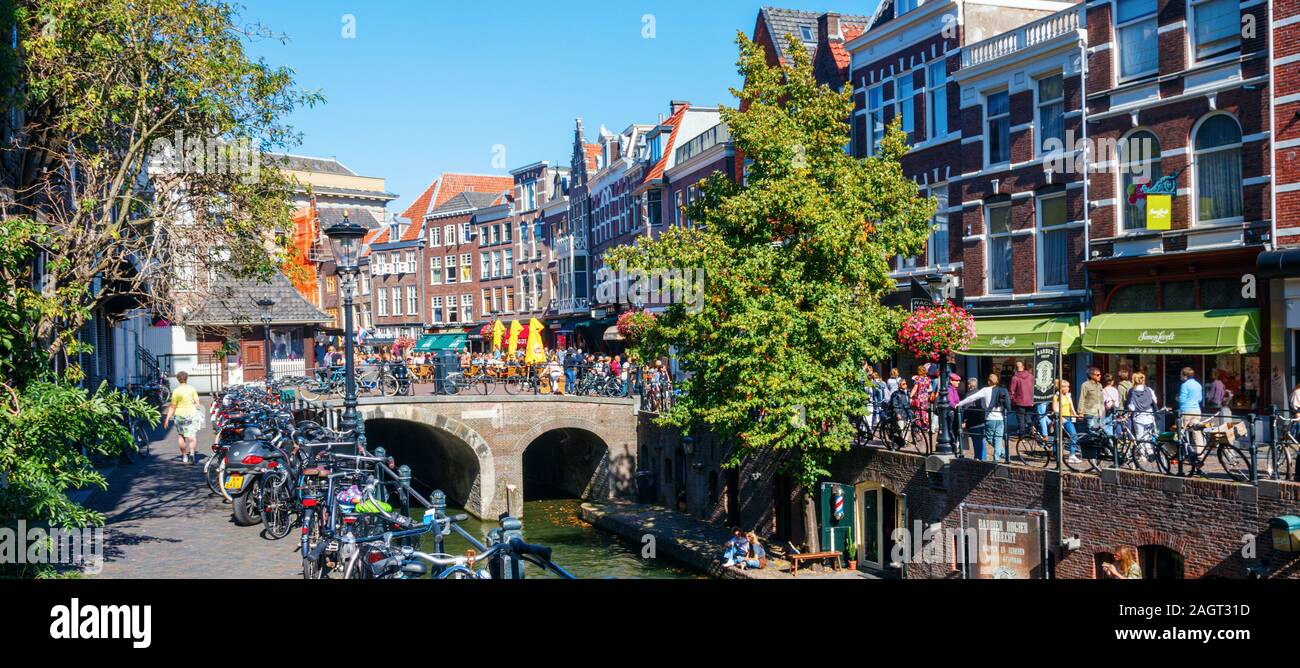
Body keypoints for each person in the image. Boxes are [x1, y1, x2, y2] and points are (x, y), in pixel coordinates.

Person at [957, 373, 1011, 462]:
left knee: (989, 438)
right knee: (998, 439)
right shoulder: (1002, 390)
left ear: (989, 381)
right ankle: (998, 458)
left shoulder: (985, 390)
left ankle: (1001, 455)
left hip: (990, 418)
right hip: (1001, 418)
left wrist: (959, 403)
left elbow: (971, 398)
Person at [162, 371, 202, 464]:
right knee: (192, 436)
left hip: (180, 415)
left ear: (178, 379)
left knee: (181, 436)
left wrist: (167, 419)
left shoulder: (176, 391)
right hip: (191, 414)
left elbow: (172, 406)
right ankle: (192, 454)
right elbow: (197, 403)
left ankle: (184, 456)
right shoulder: (192, 389)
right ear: (186, 378)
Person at [1177, 367, 1205, 458]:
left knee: (1179, 432)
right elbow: (1200, 399)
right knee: (1196, 432)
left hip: (1186, 410)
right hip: (1197, 410)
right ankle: (1200, 453)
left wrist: (1177, 398)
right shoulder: (1198, 384)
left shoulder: (1184, 385)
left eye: (1181, 374)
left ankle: (1179, 453)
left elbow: (1182, 399)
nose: (1180, 376)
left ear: (1185, 376)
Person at [1054, 379, 1081, 463]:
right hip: (1061, 418)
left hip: (1069, 417)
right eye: (1066, 387)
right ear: (1061, 388)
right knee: (1058, 438)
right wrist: (1060, 417)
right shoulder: (1057, 396)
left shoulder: (1068, 395)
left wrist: (1076, 415)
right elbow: (1055, 408)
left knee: (1074, 436)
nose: (1068, 388)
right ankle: (1057, 456)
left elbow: (1071, 407)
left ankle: (1072, 455)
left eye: (1068, 386)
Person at [1126, 371, 1159, 441]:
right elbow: (1154, 401)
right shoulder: (1149, 390)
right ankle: (1149, 451)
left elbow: (1131, 407)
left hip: (1138, 417)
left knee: (1140, 438)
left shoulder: (1132, 391)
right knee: (1148, 438)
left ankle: (1142, 451)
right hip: (1149, 416)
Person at [959, 377, 985, 459]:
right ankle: (983, 458)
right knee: (981, 440)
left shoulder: (969, 395)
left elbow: (967, 410)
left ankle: (978, 458)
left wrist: (964, 421)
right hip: (981, 420)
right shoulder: (981, 393)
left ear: (969, 385)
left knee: (976, 440)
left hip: (973, 421)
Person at [1009, 360, 1035, 438]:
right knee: (1027, 416)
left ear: (1015, 368)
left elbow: (1012, 390)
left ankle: (1022, 435)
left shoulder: (1015, 377)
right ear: (1023, 367)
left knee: (1021, 418)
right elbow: (1034, 388)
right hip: (1029, 401)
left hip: (1020, 401)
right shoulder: (1031, 376)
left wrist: (1012, 400)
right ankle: (1031, 430)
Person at [1079, 367, 1105, 433]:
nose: (1100, 376)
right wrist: (1080, 412)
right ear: (1092, 375)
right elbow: (1082, 398)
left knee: (1099, 432)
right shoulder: (1085, 385)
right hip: (1089, 412)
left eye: (1100, 374)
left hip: (1099, 413)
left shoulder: (1100, 385)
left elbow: (1101, 399)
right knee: (1092, 431)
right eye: (1098, 375)